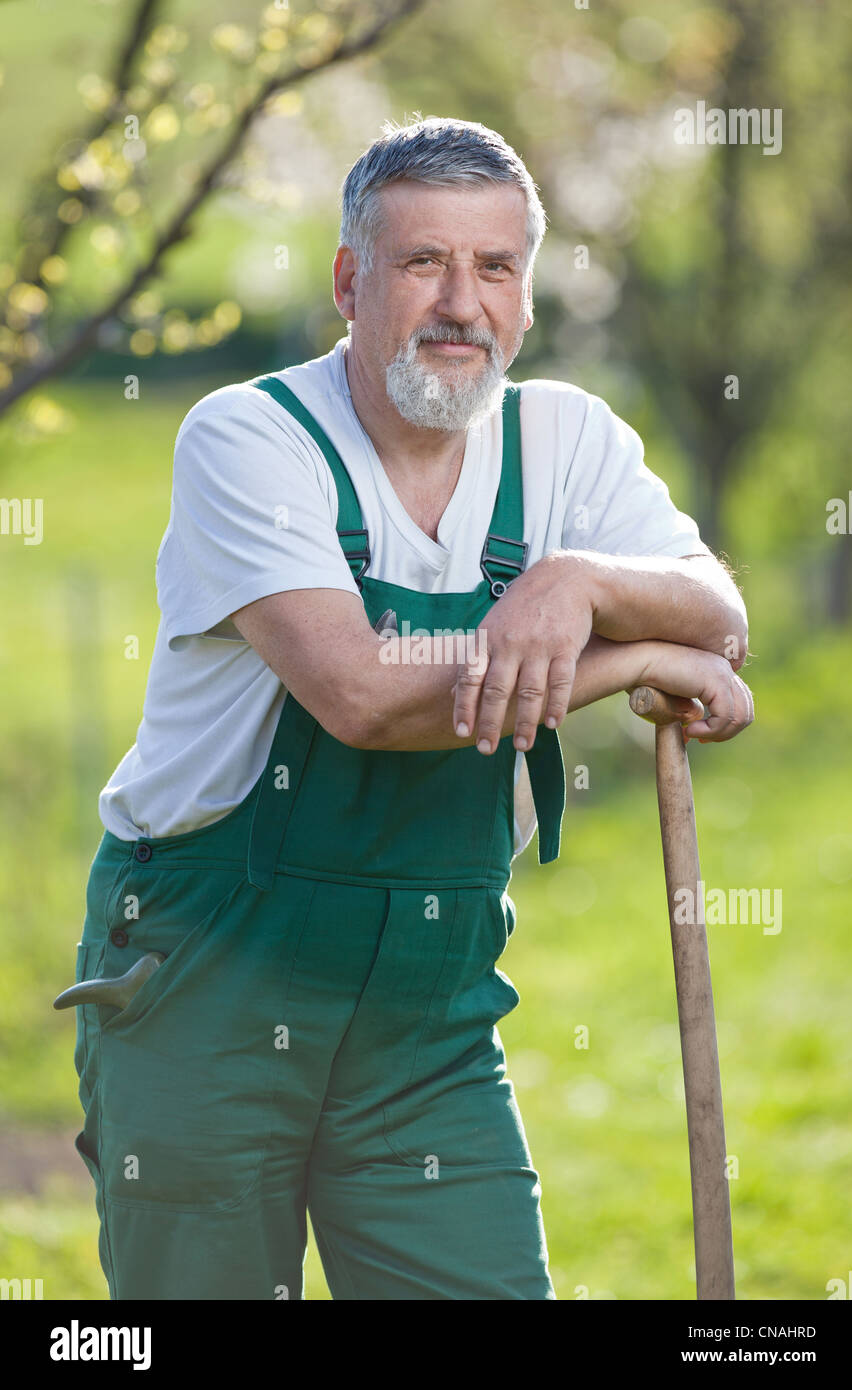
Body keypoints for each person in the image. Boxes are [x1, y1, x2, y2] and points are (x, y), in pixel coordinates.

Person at [67, 115, 753, 1301]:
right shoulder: (248, 436)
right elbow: (359, 696)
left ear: (526, 299)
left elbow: (715, 616)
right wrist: (606, 664)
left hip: (427, 1014)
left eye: (492, 268)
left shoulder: (564, 442)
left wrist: (574, 582)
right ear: (348, 281)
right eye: (421, 262)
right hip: (206, 984)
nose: (459, 302)